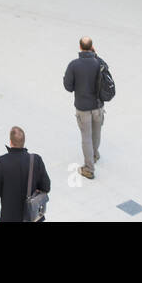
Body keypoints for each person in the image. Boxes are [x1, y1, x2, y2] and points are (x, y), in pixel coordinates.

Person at [63, 36, 105, 179]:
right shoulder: (99, 63)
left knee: (86, 137)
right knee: (97, 132)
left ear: (80, 47)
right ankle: (94, 154)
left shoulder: (74, 65)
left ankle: (89, 168)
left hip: (83, 107)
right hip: (98, 106)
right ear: (92, 47)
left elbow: (68, 86)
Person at [0, 126, 51, 222]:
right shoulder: (36, 160)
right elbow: (46, 187)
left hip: (9, 216)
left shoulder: (2, 162)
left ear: (10, 142)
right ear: (24, 142)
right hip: (31, 216)